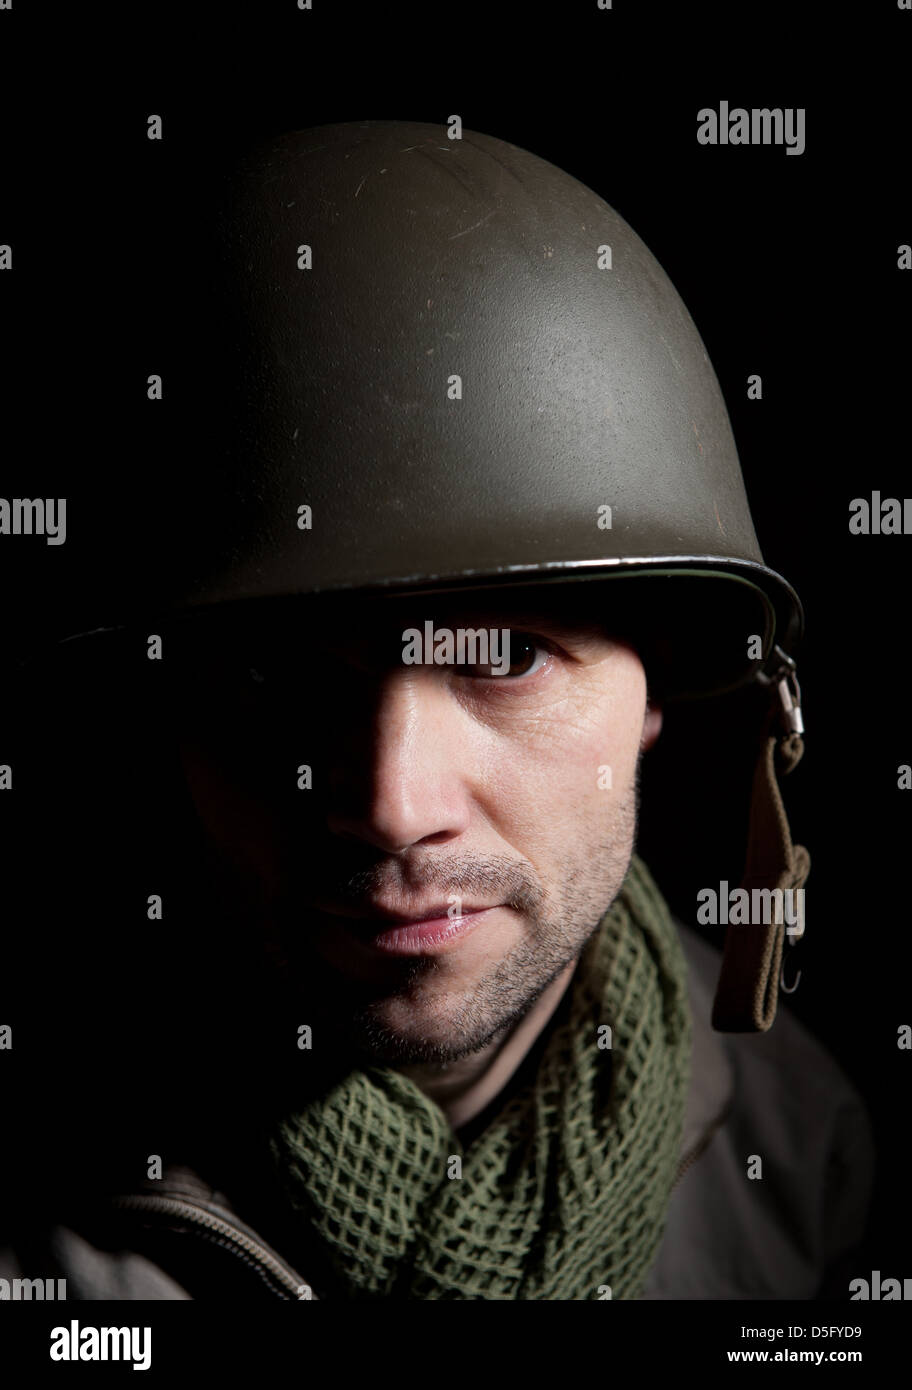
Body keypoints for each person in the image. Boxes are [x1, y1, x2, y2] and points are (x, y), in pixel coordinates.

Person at [0, 121, 874, 1301]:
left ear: (658, 689)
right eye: (268, 678)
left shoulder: (801, 1144)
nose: (390, 805)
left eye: (505, 654)